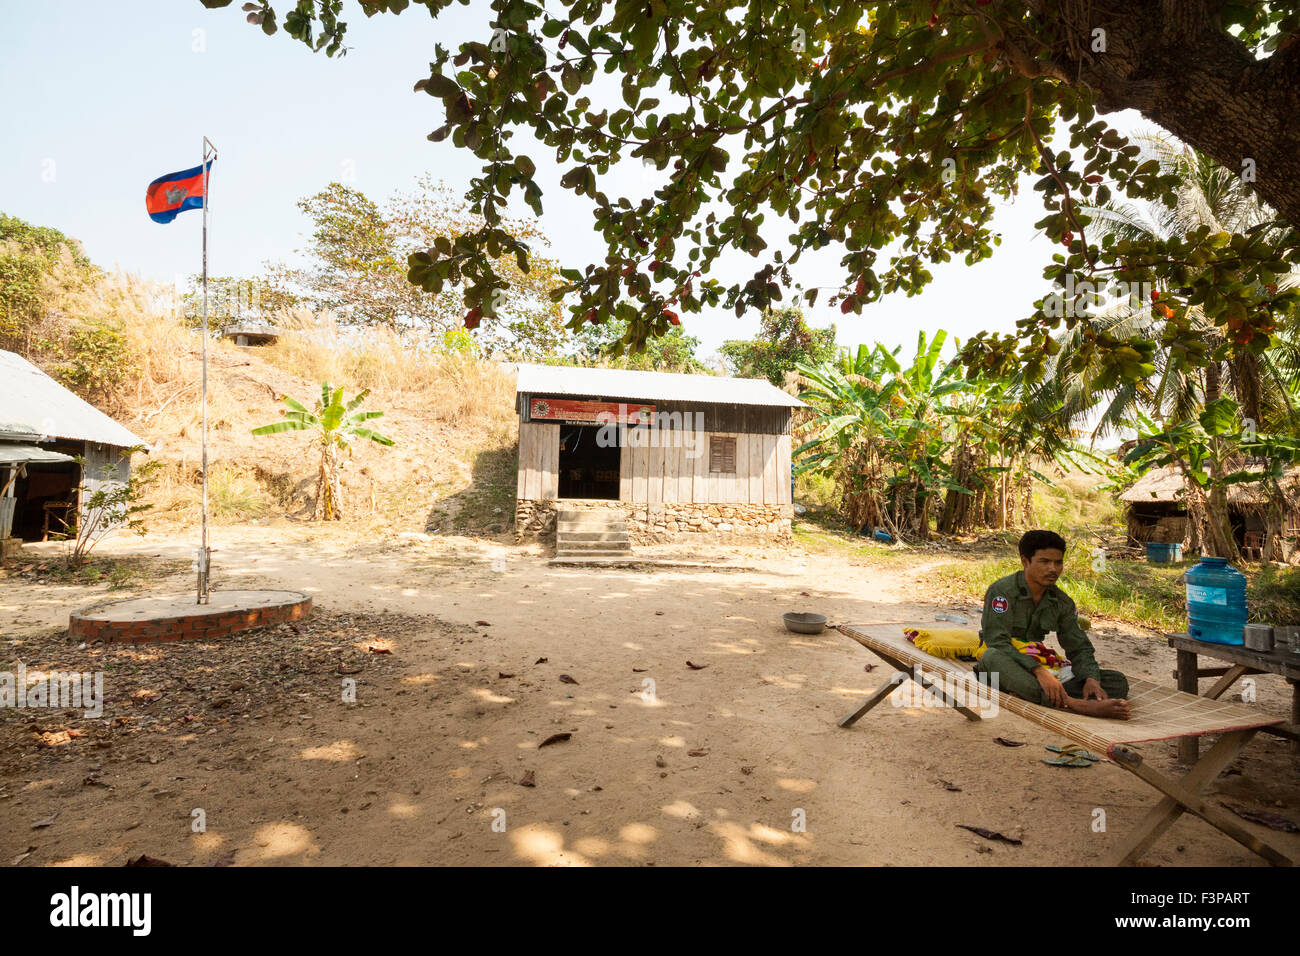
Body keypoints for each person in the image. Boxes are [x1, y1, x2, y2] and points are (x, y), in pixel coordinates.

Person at [974, 530, 1131, 719]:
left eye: (1058, 562)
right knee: (991, 658)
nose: (1053, 569)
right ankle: (1074, 704)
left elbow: (1078, 646)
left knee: (1117, 682)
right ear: (1025, 561)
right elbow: (997, 643)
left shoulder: (1061, 602)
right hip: (1010, 662)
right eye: (1045, 562)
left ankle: (1039, 693)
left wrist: (1091, 680)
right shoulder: (1002, 592)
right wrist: (1039, 671)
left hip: (1041, 665)